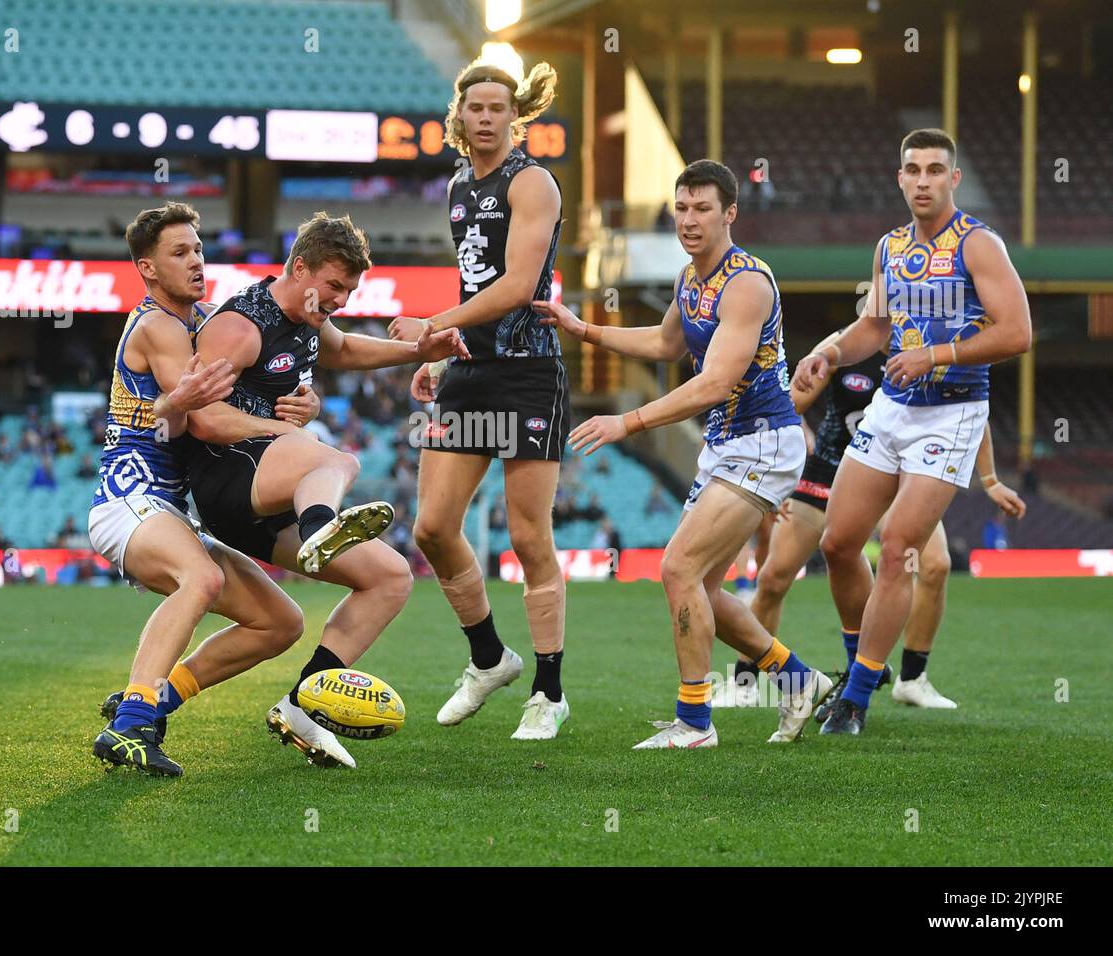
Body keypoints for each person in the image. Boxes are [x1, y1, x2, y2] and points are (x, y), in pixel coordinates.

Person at [540, 160, 833, 748]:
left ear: (730, 214)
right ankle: (799, 682)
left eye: (702, 208)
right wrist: (586, 331)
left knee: (677, 569)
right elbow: (667, 342)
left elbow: (715, 382)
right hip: (728, 444)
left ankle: (695, 723)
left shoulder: (746, 282)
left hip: (763, 441)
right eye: (681, 208)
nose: (689, 220)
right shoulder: (689, 279)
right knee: (704, 588)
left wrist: (629, 421)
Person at [182, 211, 468, 769]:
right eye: (334, 285)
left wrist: (419, 351)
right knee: (337, 457)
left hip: (274, 486)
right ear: (299, 267)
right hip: (226, 481)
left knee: (389, 577)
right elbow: (203, 418)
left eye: (349, 289)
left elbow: (343, 351)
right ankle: (320, 528)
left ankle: (300, 708)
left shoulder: (309, 317)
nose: (340, 298)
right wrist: (283, 426)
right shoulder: (241, 325)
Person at [793, 128, 1032, 735]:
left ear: (953, 178)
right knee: (838, 544)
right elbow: (874, 326)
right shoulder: (890, 247)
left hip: (952, 413)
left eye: (934, 170)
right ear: (899, 178)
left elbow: (1017, 333)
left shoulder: (979, 245)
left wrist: (938, 354)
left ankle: (855, 700)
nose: (922, 180)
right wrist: (828, 351)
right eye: (912, 169)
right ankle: (860, 669)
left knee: (899, 548)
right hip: (891, 407)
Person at [89, 201, 319, 777]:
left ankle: (155, 700)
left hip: (167, 508)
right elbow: (198, 418)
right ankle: (130, 726)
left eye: (198, 248)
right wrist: (281, 424)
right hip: (128, 500)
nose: (196, 260)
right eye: (179, 252)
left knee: (280, 623)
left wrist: (304, 395)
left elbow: (273, 370)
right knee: (203, 577)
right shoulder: (161, 326)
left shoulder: (208, 322)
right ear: (146, 268)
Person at [389, 57, 572, 740]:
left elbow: (520, 286)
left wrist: (433, 326)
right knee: (433, 527)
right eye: (477, 107)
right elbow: (474, 287)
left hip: (528, 373)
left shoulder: (533, 182)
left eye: (500, 107)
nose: (488, 117)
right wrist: (443, 356)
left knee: (528, 536)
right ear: (459, 116)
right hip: (470, 372)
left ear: (514, 115)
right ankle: (490, 658)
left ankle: (549, 692)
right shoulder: (460, 185)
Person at [731, 343, 1025, 715]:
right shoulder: (843, 347)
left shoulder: (933, 348)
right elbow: (789, 407)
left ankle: (911, 679)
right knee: (773, 577)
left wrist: (991, 479)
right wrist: (778, 475)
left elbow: (968, 414)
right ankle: (744, 682)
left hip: (893, 479)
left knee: (934, 565)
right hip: (825, 474)